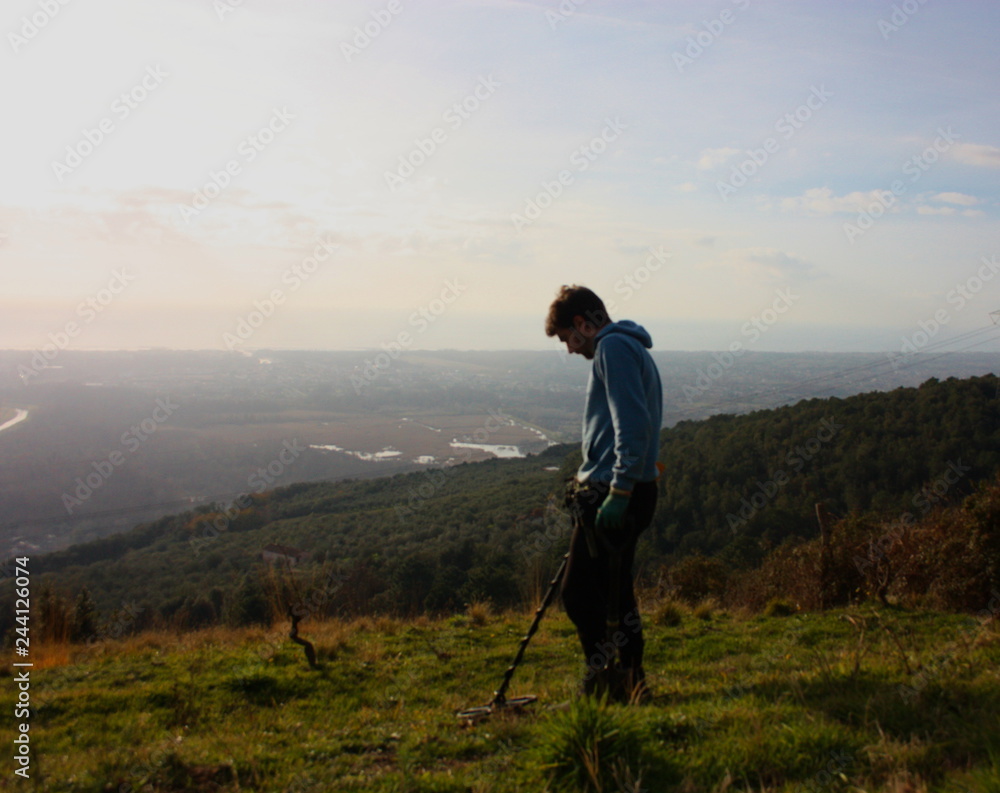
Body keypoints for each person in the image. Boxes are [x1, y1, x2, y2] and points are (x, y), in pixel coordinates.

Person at [544, 284, 663, 703]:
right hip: (623, 487)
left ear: (582, 324)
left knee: (579, 593)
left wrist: (618, 490)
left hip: (616, 493)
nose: (570, 349)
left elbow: (632, 424)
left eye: (566, 338)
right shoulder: (628, 347)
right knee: (613, 591)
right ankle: (628, 682)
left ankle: (607, 680)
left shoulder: (612, 349)